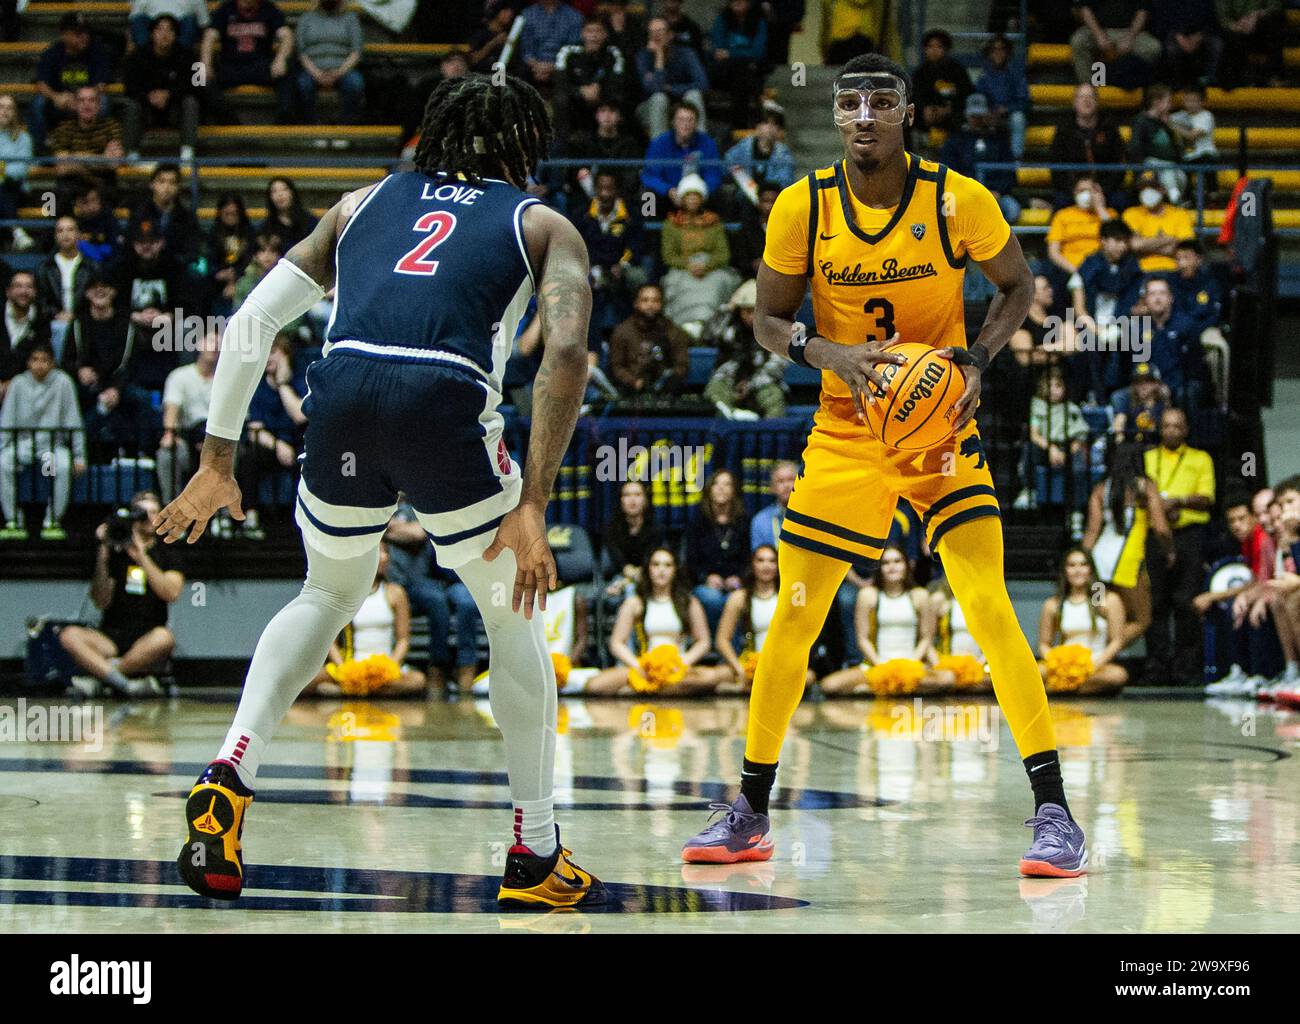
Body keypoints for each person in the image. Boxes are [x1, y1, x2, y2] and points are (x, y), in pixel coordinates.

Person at [154, 73, 603, 908]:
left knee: (328, 589)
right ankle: (536, 854)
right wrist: (533, 503)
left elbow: (251, 323)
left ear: (431, 134)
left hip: (343, 400)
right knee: (509, 614)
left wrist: (217, 463)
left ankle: (229, 768)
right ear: (523, 146)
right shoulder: (542, 224)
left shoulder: (360, 203)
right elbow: (567, 355)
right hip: (444, 401)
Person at [680, 53, 1088, 876]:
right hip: (844, 431)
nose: (865, 114)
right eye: (850, 102)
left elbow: (1018, 285)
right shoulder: (804, 206)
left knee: (989, 611)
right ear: (837, 117)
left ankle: (1055, 812)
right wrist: (832, 354)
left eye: (881, 101)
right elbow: (765, 319)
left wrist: (975, 360)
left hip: (937, 433)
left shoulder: (955, 198)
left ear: (906, 114)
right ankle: (751, 810)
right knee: (791, 619)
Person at [60, 491, 182, 695]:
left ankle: (104, 679)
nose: (149, 518)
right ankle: (125, 684)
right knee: (69, 635)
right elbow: (100, 601)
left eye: (154, 512)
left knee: (165, 638)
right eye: (143, 513)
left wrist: (141, 557)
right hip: (112, 634)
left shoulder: (167, 552)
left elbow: (170, 593)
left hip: (147, 634)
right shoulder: (116, 550)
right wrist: (103, 553)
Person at [585, 546, 729, 695]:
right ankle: (661, 688)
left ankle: (653, 689)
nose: (661, 570)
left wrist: (682, 662)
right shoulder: (635, 603)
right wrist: (639, 665)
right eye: (656, 564)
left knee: (714, 677)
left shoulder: (689, 602)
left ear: (675, 570)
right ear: (648, 569)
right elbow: (616, 643)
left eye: (667, 565)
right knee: (594, 685)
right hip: (644, 668)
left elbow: (703, 642)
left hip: (678, 669)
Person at [1144, 406, 1214, 683]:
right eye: (1166, 426)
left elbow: (1207, 497)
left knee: (1186, 601)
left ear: (1186, 430)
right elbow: (1138, 493)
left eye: (1177, 426)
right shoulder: (1148, 458)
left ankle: (1186, 668)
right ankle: (1156, 668)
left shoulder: (1201, 459)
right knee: (1155, 602)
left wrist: (1178, 502)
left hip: (1189, 535)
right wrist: (1158, 508)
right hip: (1154, 535)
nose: (1171, 430)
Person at [304, 542, 427, 697]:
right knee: (304, 680)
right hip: (350, 665)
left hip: (383, 669)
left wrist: (390, 667)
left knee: (418, 680)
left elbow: (403, 640)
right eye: (379, 553)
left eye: (386, 553)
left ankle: (350, 691)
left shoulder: (395, 593)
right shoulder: (345, 593)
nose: (385, 557)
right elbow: (331, 641)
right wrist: (343, 670)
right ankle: (357, 688)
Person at [820, 546, 947, 695]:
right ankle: (893, 687)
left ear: (907, 564)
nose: (892, 566)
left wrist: (911, 663)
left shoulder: (920, 595)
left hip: (911, 664)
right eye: (886, 563)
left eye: (897, 561)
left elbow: (926, 638)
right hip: (876, 665)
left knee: (947, 679)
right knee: (829, 685)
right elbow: (862, 639)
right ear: (879, 568)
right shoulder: (868, 595)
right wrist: (880, 665)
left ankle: (877, 689)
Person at [1082, 444, 1172, 646]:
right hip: (1127, 562)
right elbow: (1161, 528)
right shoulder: (1145, 486)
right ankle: (1098, 656)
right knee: (1141, 620)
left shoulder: (1101, 489)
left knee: (1106, 614)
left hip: (1099, 561)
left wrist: (1082, 561)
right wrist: (1170, 550)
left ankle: (1094, 655)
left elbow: (1092, 531)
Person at [0, 340, 85, 540]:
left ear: (53, 363)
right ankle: (12, 521)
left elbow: (74, 420)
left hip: (52, 447)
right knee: (3, 462)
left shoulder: (64, 382)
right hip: (22, 445)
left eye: (45, 360)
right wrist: (2, 447)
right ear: (28, 362)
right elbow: (6, 421)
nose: (40, 365)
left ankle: (53, 520)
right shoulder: (18, 383)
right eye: (35, 360)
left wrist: (80, 456)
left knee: (63, 466)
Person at [1200, 494, 1282, 694]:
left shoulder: (1262, 540)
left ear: (1253, 518)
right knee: (1235, 607)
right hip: (1267, 588)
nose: (1237, 525)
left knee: (1248, 609)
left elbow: (1265, 580)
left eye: (1242, 518)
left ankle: (1260, 674)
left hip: (1275, 591)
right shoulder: (1248, 542)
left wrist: (1219, 597)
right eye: (1232, 521)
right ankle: (1241, 671)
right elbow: (1254, 580)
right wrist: (1243, 596)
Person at [236, 333, 306, 539]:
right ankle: (250, 518)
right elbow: (254, 428)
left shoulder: (301, 381)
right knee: (249, 457)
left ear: (286, 355)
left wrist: (283, 384)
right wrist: (278, 446)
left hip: (301, 443)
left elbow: (300, 416)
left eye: (273, 352)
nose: (267, 358)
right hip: (269, 445)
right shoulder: (257, 386)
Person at [1037, 548, 1129, 694]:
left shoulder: (1107, 600)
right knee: (1033, 672)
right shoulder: (1053, 604)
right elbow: (1043, 644)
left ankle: (1061, 688)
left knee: (1117, 675)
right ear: (1065, 571)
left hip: (1095, 665)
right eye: (1072, 565)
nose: (1077, 570)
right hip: (1062, 664)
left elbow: (1117, 641)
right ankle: (1067, 685)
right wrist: (1058, 664)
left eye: (1083, 565)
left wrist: (1094, 664)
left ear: (1091, 569)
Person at [715, 544, 807, 689]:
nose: (766, 566)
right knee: (711, 676)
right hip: (750, 663)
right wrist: (739, 668)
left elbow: (801, 636)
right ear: (752, 565)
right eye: (761, 560)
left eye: (772, 561)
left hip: (782, 666)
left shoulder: (790, 597)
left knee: (809, 677)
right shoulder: (739, 597)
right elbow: (722, 640)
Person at [660, 174, 740, 336]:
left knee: (719, 284)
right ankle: (684, 326)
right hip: (683, 268)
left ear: (702, 198)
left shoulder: (714, 223)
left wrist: (706, 265)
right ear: (682, 198)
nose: (692, 200)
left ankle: (711, 326)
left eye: (696, 196)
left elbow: (723, 253)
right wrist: (688, 265)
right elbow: (668, 255)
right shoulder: (671, 224)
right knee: (673, 284)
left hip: (711, 268)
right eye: (688, 196)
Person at [201, 0, 296, 124]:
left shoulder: (269, 8)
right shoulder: (226, 8)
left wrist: (281, 59)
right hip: (231, 66)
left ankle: (284, 120)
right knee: (198, 76)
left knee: (291, 67)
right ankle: (226, 118)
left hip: (260, 66)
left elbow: (287, 35)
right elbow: (209, 36)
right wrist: (205, 64)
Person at [121, 15, 201, 162]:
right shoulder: (136, 56)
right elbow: (129, 87)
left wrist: (169, 94)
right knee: (130, 105)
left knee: (191, 102)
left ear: (176, 35)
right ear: (152, 33)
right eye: (159, 29)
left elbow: (200, 85)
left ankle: (187, 153)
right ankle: (131, 155)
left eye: (170, 30)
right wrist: (148, 96)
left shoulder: (191, 55)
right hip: (146, 112)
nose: (164, 34)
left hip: (176, 112)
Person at [704, 278, 787, 417]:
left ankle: (768, 437)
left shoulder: (776, 332)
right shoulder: (730, 331)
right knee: (714, 390)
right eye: (747, 311)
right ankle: (726, 431)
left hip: (762, 383)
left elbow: (775, 367)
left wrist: (750, 385)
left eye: (755, 311)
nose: (751, 316)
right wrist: (729, 307)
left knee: (775, 397)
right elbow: (709, 334)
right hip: (729, 380)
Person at [30, 13, 112, 149]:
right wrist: (55, 97)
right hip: (60, 101)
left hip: (87, 99)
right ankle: (42, 148)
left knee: (103, 102)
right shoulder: (51, 53)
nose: (84, 37)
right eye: (78, 33)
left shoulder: (97, 51)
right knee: (38, 103)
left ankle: (99, 143)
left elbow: (101, 84)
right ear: (64, 35)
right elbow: (41, 83)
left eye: (86, 33)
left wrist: (81, 99)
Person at [156, 327, 219, 503]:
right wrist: (170, 434)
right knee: (168, 454)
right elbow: (172, 407)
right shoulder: (180, 376)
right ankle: (173, 513)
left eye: (220, 342)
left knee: (228, 450)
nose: (216, 346)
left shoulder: (228, 378)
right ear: (199, 344)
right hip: (188, 436)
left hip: (219, 437)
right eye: (211, 341)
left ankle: (223, 517)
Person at [939, 93, 1020, 224]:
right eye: (974, 115)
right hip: (962, 193)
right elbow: (948, 172)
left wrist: (998, 191)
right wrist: (966, 192)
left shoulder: (1000, 140)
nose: (977, 119)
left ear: (988, 113)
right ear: (967, 114)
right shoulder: (955, 140)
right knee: (945, 208)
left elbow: (1010, 172)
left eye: (980, 115)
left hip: (995, 194)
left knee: (1012, 209)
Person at [686, 468, 750, 628]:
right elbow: (691, 561)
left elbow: (749, 559)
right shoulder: (698, 523)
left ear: (734, 490)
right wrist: (706, 578)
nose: (721, 488)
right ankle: (716, 642)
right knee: (712, 599)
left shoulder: (743, 523)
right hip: (705, 584)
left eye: (727, 484)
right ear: (709, 490)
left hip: (735, 584)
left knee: (735, 599)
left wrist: (738, 579)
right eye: (716, 484)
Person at [1048, 83, 1126, 206]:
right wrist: (1075, 187)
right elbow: (1056, 167)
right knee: (1060, 202)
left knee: (1120, 201)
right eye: (1082, 97)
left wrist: (1101, 188)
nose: (1086, 101)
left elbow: (1119, 165)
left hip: (1103, 188)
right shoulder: (1064, 130)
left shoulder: (1110, 129)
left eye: (1090, 97)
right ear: (1074, 103)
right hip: (1073, 188)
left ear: (1097, 102)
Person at [607, 282, 691, 396]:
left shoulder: (674, 332)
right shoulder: (622, 332)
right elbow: (616, 367)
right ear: (636, 303)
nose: (650, 305)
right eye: (645, 300)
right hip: (630, 391)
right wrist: (634, 382)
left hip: (666, 392)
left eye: (655, 300)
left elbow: (682, 365)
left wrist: (666, 381)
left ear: (661, 304)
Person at [554, 16, 627, 142]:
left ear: (605, 34)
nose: (594, 36)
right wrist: (580, 91)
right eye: (589, 31)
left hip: (604, 99)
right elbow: (560, 82)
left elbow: (619, 82)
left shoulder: (613, 53)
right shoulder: (568, 52)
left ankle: (616, 145)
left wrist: (600, 89)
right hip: (576, 102)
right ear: (582, 34)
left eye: (598, 31)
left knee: (621, 98)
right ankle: (564, 147)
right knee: (561, 99)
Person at [36, 215, 98, 363]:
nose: (65, 234)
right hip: (54, 322)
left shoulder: (92, 267)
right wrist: (57, 313)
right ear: (55, 236)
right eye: (60, 230)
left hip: (84, 321)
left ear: (79, 234)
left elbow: (96, 298)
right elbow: (40, 300)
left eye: (70, 229)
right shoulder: (44, 268)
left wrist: (76, 315)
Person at [635, 17, 709, 139]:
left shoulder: (686, 53)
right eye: (652, 32)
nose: (656, 36)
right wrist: (659, 56)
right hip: (649, 108)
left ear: (670, 35)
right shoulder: (643, 56)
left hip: (681, 105)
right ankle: (659, 153)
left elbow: (702, 84)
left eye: (660, 31)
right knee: (659, 98)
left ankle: (701, 149)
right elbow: (655, 89)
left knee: (694, 95)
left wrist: (670, 89)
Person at [1140, 274, 1207, 408]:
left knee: (1186, 393)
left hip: (1180, 385)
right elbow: (1137, 364)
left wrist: (1168, 387)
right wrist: (1149, 387)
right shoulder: (1138, 328)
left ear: (1171, 298)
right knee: (1119, 397)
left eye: (1162, 293)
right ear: (1146, 299)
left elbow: (1192, 369)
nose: (1157, 299)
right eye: (1152, 294)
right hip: (1147, 384)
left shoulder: (1186, 325)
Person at [641, 101, 721, 210]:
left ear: (696, 123)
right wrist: (668, 190)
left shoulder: (708, 143)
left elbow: (714, 175)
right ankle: (649, 227)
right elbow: (649, 176)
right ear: (673, 122)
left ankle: (715, 225)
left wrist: (700, 191)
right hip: (668, 195)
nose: (685, 124)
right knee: (647, 195)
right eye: (681, 120)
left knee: (719, 194)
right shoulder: (659, 143)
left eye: (690, 120)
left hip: (698, 196)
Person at [295, 0, 365, 125]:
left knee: (355, 83)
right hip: (313, 69)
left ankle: (345, 128)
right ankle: (312, 128)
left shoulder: (351, 18)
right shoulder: (306, 18)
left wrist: (339, 72)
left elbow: (356, 52)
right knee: (302, 85)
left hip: (344, 68)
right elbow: (301, 52)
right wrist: (317, 74)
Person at [600, 479, 665, 600]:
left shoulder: (656, 529)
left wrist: (635, 576)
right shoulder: (611, 529)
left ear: (645, 500)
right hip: (618, 576)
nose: (632, 500)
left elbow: (653, 559)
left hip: (649, 577)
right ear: (620, 501)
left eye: (637, 495)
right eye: (627, 495)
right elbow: (615, 560)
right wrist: (627, 576)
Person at [707, 0, 768, 128]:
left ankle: (739, 127)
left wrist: (731, 54)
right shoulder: (722, 20)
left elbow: (758, 52)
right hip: (724, 72)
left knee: (742, 73)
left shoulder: (759, 22)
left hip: (747, 72)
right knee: (741, 70)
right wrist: (743, 54)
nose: (737, 2)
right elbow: (718, 51)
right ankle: (741, 125)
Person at [1069, 2, 1162, 85]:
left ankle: (1143, 92)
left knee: (1153, 48)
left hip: (1129, 31)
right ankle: (1087, 90)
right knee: (1078, 41)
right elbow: (1083, 7)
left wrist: (1130, 37)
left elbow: (1142, 10)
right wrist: (1099, 35)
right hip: (1097, 29)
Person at [128, 163, 201, 267]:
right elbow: (129, 246)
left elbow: (192, 253)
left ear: (178, 187)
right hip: (142, 268)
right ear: (152, 184)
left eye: (172, 183)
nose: (166, 187)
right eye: (161, 181)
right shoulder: (139, 214)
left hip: (175, 272)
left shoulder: (187, 218)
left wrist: (168, 260)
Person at [1122, 170, 1194, 272]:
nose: (1147, 191)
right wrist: (1169, 239)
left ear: (1163, 189)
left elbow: (1184, 249)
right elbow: (1133, 245)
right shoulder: (1131, 213)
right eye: (1143, 188)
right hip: (1140, 271)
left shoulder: (1179, 214)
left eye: (1153, 187)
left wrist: (1144, 246)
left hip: (1173, 271)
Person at [1046, 176, 1115, 281]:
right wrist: (1075, 271)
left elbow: (1116, 238)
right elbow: (1053, 252)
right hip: (1068, 269)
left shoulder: (1109, 214)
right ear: (1074, 193)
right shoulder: (1062, 215)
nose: (1086, 195)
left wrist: (1100, 208)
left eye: (1090, 191)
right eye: (1081, 191)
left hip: (1100, 268)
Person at [976, 33, 1028, 159]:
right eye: (994, 50)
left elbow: (1025, 103)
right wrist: (987, 111)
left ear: (1008, 53)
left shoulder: (1017, 75)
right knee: (976, 117)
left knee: (1018, 119)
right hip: (989, 115)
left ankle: (1016, 160)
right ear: (989, 53)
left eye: (1001, 49)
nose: (998, 53)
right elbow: (978, 99)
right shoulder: (983, 77)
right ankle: (980, 158)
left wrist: (1006, 109)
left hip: (1010, 116)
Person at [205, 192, 257, 316]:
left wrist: (236, 278)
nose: (230, 217)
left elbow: (251, 259)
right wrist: (217, 273)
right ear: (220, 213)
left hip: (244, 280)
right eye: (227, 214)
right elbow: (208, 259)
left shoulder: (249, 234)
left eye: (234, 214)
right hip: (216, 284)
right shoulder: (212, 234)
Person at [912, 29, 972, 135]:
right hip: (927, 114)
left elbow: (966, 93)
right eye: (930, 46)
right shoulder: (920, 73)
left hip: (952, 113)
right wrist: (925, 109)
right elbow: (915, 95)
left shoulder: (957, 70)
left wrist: (948, 109)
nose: (934, 50)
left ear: (946, 49)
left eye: (939, 47)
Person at [1, 272, 51, 396]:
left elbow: (42, 359)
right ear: (8, 292)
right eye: (18, 286)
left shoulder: (42, 320)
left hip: (26, 386)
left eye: (29, 287)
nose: (24, 291)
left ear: (35, 292)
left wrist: (14, 384)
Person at [1216, 0, 1285, 88]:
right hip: (1235, 30)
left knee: (1274, 22)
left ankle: (1273, 75)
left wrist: (1257, 15)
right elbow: (1223, 18)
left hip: (1261, 26)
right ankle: (1238, 80)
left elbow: (1275, 6)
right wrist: (1238, 26)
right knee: (1232, 38)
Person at [517, 0, 584, 89]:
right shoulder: (527, 14)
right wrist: (536, 65)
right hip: (533, 65)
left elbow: (572, 48)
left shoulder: (575, 16)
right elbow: (526, 48)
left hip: (562, 64)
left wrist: (553, 66)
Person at [724, 110, 796, 192]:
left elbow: (786, 180)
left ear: (779, 132)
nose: (770, 128)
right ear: (758, 126)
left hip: (772, 195)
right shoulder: (743, 146)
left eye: (775, 125)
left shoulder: (784, 154)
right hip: (745, 194)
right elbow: (727, 165)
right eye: (766, 123)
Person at [0, 94, 33, 240]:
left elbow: (21, 169)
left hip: (16, 189)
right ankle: (16, 232)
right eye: (1, 107)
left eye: (9, 108)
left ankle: (15, 232)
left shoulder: (23, 138)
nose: (5, 111)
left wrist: (2, 170)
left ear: (15, 113)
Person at [259, 176, 318, 252]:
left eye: (284, 189)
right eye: (274, 191)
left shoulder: (310, 221)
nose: (279, 194)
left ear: (292, 193)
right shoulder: (265, 228)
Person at [750, 459, 795, 550]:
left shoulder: (810, 517)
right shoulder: (760, 521)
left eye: (791, 480)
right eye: (781, 481)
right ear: (772, 488)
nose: (786, 485)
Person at [129, 0, 211, 50]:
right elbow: (135, 21)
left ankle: (181, 57)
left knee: (190, 20)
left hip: (182, 32)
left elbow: (203, 23)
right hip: (152, 34)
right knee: (139, 19)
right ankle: (145, 57)